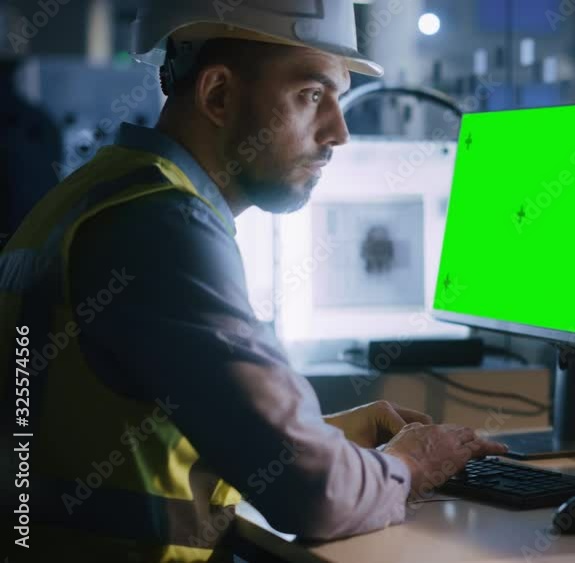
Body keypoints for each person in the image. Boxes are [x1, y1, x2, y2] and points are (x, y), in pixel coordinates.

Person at [0, 1, 506, 561]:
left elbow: (137, 432)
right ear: (218, 95)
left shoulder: (99, 192)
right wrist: (411, 464)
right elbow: (314, 496)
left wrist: (324, 439)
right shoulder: (163, 227)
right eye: (311, 95)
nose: (339, 132)